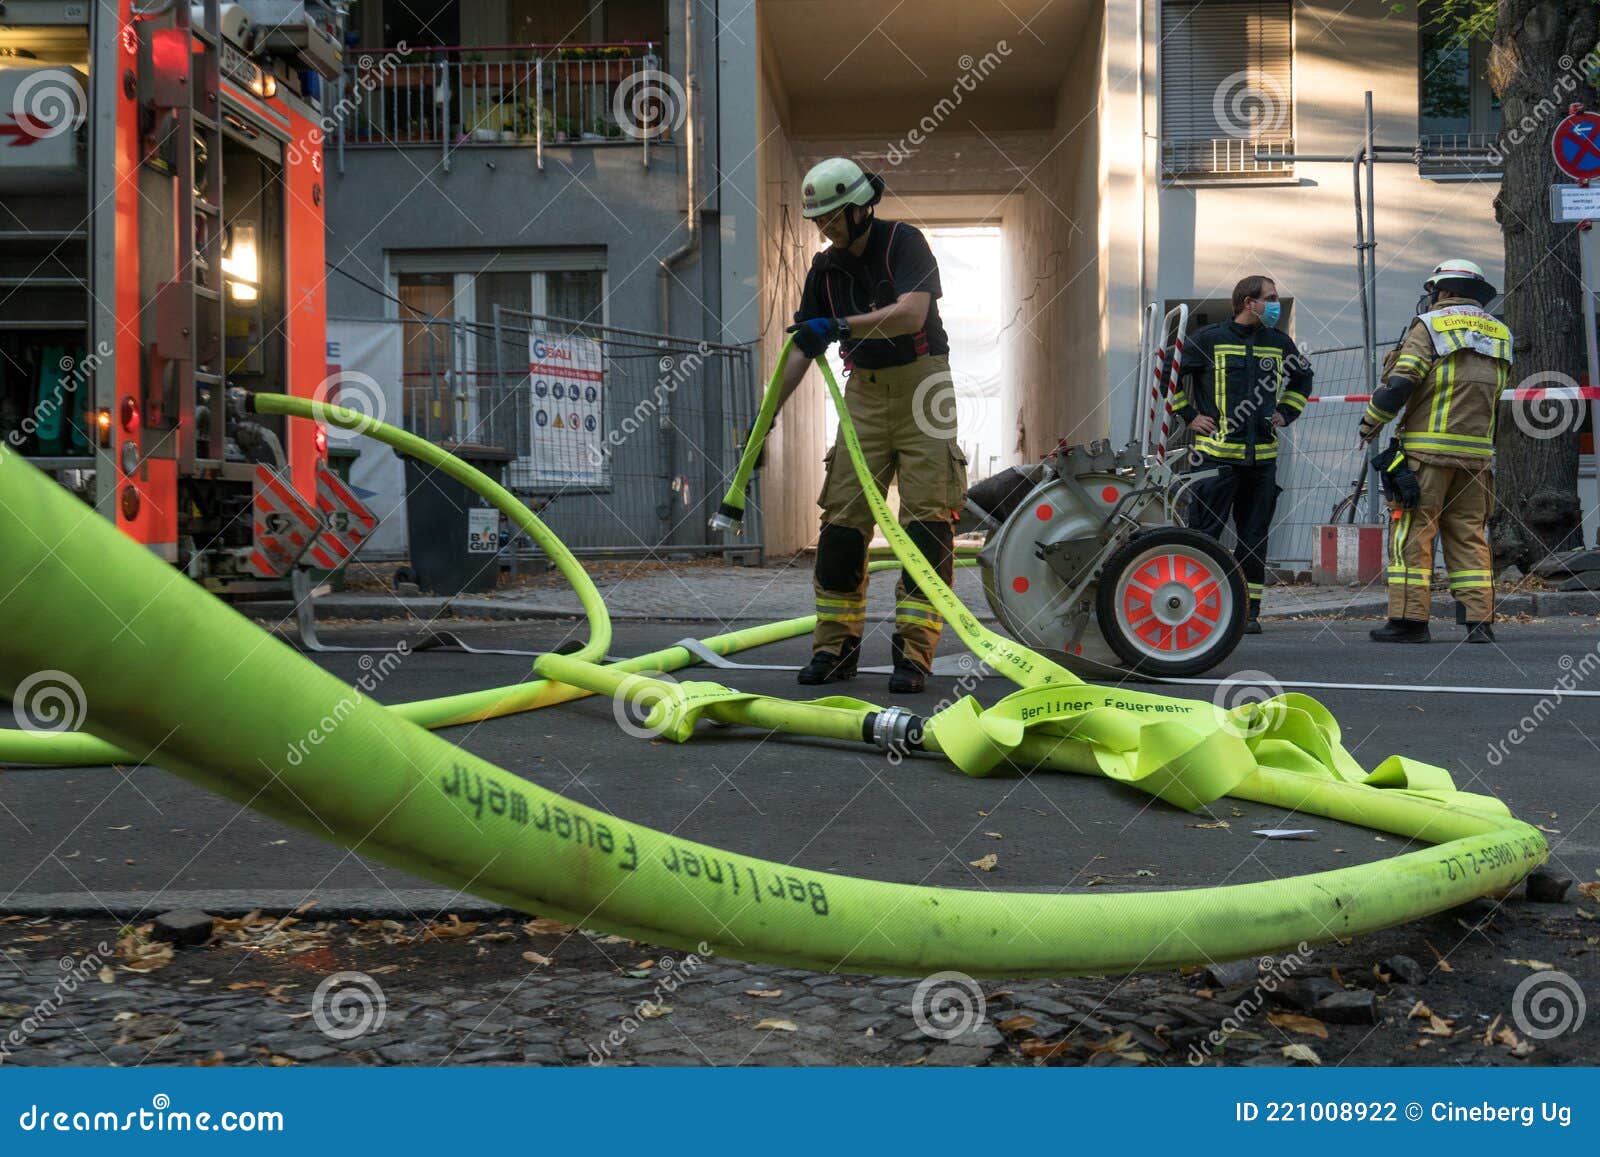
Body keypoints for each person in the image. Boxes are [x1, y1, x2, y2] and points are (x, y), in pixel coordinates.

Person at [770, 156, 967, 695]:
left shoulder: (905, 243)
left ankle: (913, 654)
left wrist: (837, 325)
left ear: (861, 209)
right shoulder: (823, 270)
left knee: (926, 523)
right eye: (819, 221)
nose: (825, 229)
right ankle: (834, 651)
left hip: (924, 385)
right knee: (841, 524)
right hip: (864, 391)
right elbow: (800, 351)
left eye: (833, 217)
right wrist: (765, 423)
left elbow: (910, 314)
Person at [1358, 259, 1511, 644]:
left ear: (1442, 292)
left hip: (1427, 453)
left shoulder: (1430, 326)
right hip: (1477, 457)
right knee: (1470, 535)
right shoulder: (1501, 333)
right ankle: (1480, 623)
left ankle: (1409, 622)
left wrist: (1370, 423)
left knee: (1412, 532)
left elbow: (1401, 382)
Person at [1171, 275, 1312, 633]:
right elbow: (1166, 379)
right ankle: (1194, 604)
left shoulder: (1279, 342)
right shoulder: (1208, 340)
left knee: (1253, 539)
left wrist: (1287, 412)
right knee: (1203, 535)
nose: (1275, 303)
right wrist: (1189, 416)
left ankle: (1248, 613)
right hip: (1214, 461)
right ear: (1249, 302)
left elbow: (1302, 380)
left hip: (1262, 461)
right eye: (1271, 298)